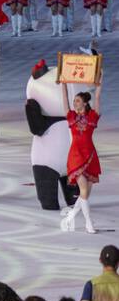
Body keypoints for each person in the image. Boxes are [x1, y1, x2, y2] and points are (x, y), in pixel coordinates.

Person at [61, 83, 103, 233]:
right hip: (75, 156)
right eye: (74, 101)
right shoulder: (71, 116)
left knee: (85, 194)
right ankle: (88, 223)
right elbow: (64, 98)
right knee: (83, 190)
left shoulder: (92, 116)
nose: (74, 103)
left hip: (90, 156)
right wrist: (63, 83)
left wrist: (100, 80)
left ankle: (70, 217)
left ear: (85, 103)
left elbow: (97, 96)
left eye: (77, 101)